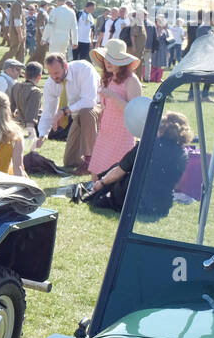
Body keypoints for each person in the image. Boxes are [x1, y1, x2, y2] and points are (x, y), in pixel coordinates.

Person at [74, 105, 192, 216]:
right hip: (161, 206)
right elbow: (176, 184)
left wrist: (101, 183)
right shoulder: (183, 154)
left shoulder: (147, 145)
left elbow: (120, 171)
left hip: (134, 202)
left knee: (117, 172)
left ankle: (95, 186)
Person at [35, 52, 101, 174]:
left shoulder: (83, 69)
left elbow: (89, 101)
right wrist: (42, 134)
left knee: (86, 112)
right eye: (50, 73)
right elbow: (48, 111)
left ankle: (90, 160)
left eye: (56, 73)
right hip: (77, 115)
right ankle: (94, 157)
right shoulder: (51, 83)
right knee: (70, 162)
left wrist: (64, 111)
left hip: (98, 109)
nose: (54, 77)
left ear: (65, 66)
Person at [87, 38, 143, 177]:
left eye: (113, 59)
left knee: (116, 174)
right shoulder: (109, 77)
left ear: (122, 61)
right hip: (106, 131)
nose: (107, 62)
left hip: (123, 134)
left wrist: (112, 95)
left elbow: (134, 112)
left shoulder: (131, 80)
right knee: (96, 173)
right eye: (106, 58)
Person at [9, 61, 43, 136]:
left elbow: (11, 109)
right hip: (35, 126)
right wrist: (31, 134)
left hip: (18, 122)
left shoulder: (16, 86)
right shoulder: (35, 91)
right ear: (39, 76)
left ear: (24, 75)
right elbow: (31, 116)